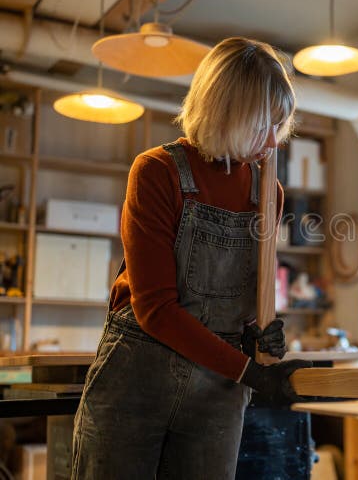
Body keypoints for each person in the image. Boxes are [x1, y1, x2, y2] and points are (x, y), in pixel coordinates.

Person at [71, 37, 312, 479]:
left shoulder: (267, 193)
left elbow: (243, 298)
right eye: (264, 124)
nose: (274, 140)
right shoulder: (157, 172)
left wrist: (260, 335)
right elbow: (157, 311)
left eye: (280, 124)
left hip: (218, 389)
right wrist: (249, 372)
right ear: (226, 111)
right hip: (138, 379)